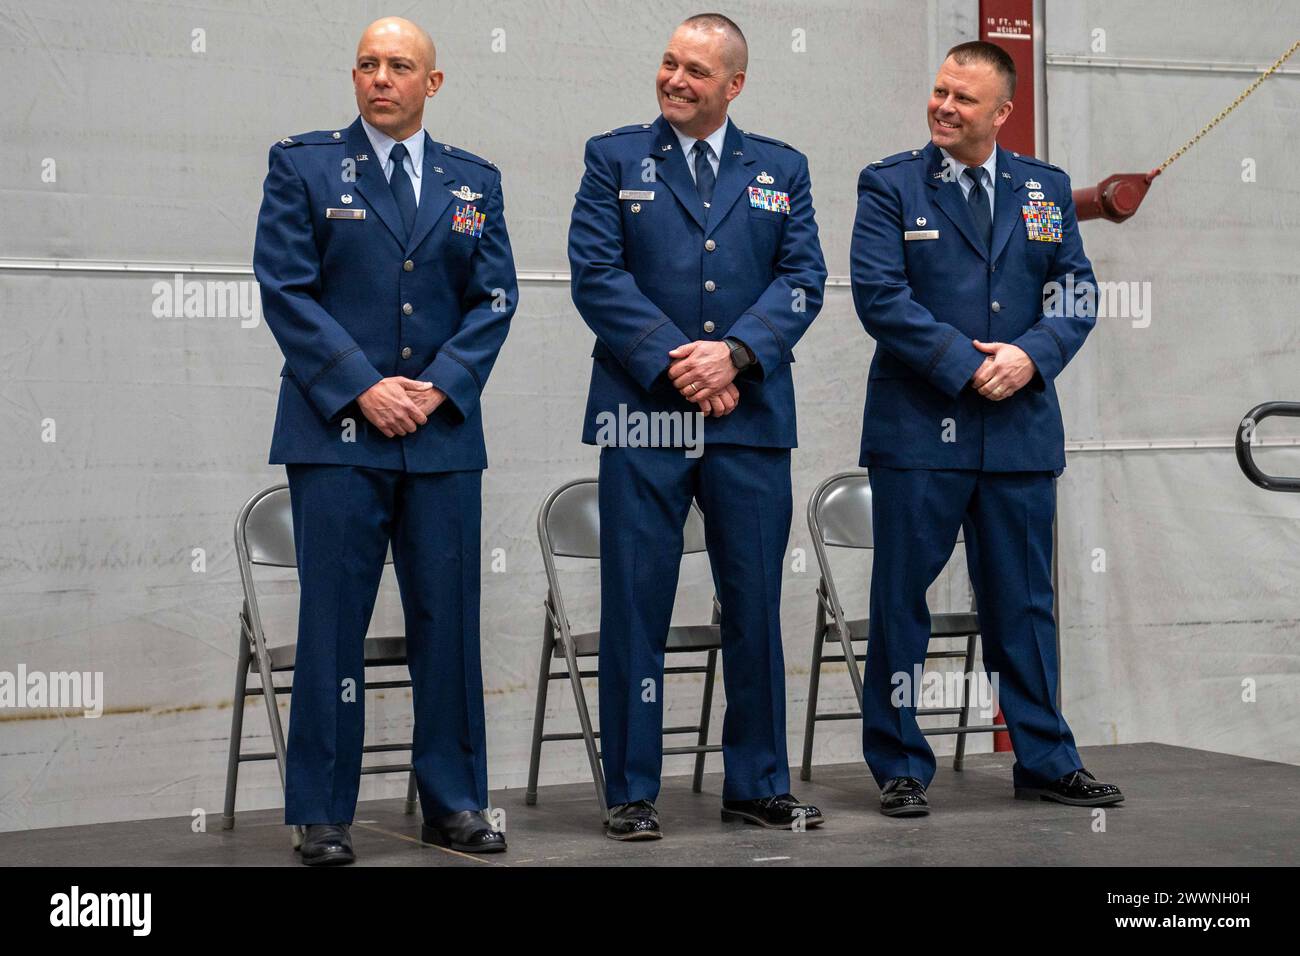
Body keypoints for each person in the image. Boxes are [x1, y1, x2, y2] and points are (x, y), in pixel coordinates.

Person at [252, 16, 517, 863]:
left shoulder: (474, 181)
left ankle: (456, 800)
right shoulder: (303, 164)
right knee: (334, 626)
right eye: (368, 63)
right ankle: (323, 812)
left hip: (440, 437)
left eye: (400, 65)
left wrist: (438, 386)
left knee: (448, 623)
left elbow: (496, 299)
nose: (380, 78)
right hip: (336, 435)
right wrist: (363, 386)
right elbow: (287, 290)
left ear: (432, 83)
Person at [568, 13, 828, 840]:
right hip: (643, 415)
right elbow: (596, 277)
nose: (675, 80)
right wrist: (684, 362)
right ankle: (631, 792)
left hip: (748, 420)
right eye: (669, 64)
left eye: (696, 71)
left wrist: (737, 356)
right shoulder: (613, 157)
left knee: (753, 603)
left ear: (734, 86)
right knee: (635, 605)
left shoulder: (781, 168)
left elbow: (803, 278)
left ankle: (756, 782)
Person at [849, 40, 1123, 817]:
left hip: (1018, 430)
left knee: (1024, 604)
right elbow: (880, 295)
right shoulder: (891, 184)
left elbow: (1076, 290)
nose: (944, 106)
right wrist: (965, 365)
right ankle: (900, 764)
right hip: (917, 428)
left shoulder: (1046, 188)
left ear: (1002, 111)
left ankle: (1044, 758)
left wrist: (1031, 358)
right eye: (939, 91)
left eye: (963, 99)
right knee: (902, 599)